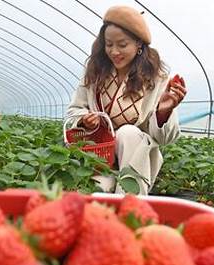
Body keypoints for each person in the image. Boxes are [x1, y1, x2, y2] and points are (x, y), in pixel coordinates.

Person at [66, 5, 186, 195]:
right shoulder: (95, 72)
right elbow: (74, 110)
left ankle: (131, 202)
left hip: (134, 161)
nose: (114, 51)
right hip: (99, 157)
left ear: (139, 44)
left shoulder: (156, 79)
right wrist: (83, 120)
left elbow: (165, 139)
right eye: (109, 44)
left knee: (128, 133)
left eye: (122, 45)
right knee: (96, 192)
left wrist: (163, 112)